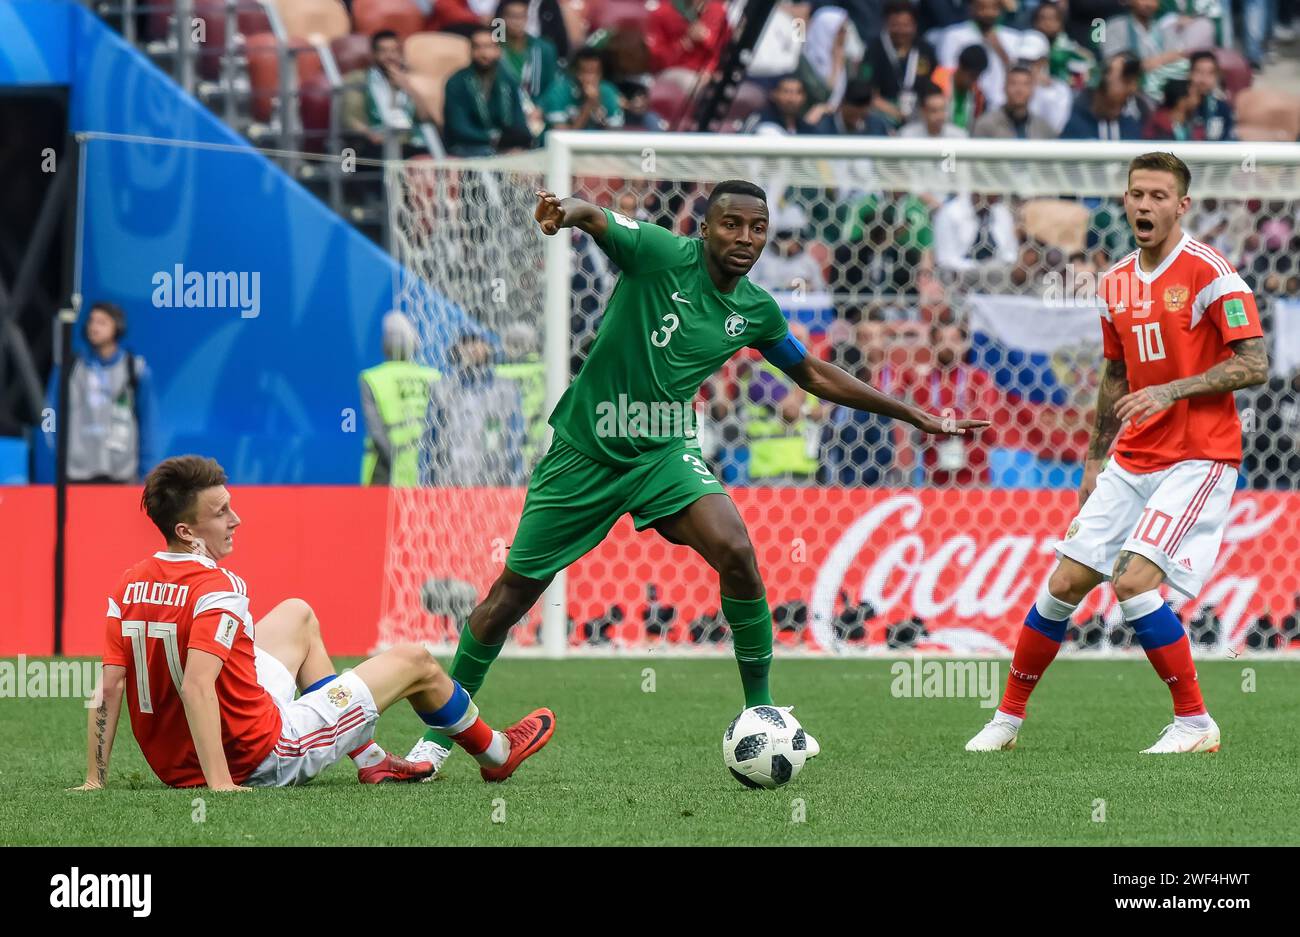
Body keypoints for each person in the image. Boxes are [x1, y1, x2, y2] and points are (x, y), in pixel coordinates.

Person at [405, 181, 990, 774]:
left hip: (664, 453)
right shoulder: (659, 253)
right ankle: (436, 740)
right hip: (585, 452)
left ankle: (762, 710)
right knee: (510, 598)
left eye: (757, 228)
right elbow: (598, 218)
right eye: (731, 225)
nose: (746, 238)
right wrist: (567, 213)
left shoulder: (755, 309)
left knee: (735, 548)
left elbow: (812, 373)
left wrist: (913, 412)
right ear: (705, 228)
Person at [967, 152, 1270, 754]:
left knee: (1134, 583)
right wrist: (1094, 458)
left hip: (1198, 456)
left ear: (1182, 205)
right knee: (1064, 582)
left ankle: (1194, 722)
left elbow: (1255, 363)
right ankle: (1007, 719)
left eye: (1159, 196)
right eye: (1137, 194)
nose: (1144, 205)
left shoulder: (1213, 274)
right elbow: (1113, 374)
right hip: (1132, 457)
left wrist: (1172, 389)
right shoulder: (1116, 281)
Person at [72, 456, 555, 791]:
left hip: (176, 765)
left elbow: (109, 686)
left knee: (297, 614)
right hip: (263, 753)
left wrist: (95, 779)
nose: (236, 520)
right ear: (186, 531)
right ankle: (496, 754)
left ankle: (371, 762)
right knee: (417, 661)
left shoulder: (129, 584)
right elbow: (198, 687)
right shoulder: (219, 588)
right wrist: (219, 784)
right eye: (221, 514)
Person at [44, 301, 157, 484]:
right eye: (91, 321)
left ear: (118, 327)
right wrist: (54, 461)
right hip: (75, 475)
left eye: (102, 322)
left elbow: (147, 424)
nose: (94, 327)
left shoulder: (135, 370)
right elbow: (49, 414)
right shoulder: (68, 367)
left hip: (122, 476)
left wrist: (145, 475)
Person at [426, 334, 526, 486]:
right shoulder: (443, 390)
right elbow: (430, 444)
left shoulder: (506, 391)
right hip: (449, 488)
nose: (471, 348)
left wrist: (515, 488)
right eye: (465, 342)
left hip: (492, 488)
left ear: (488, 345)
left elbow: (514, 445)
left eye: (476, 341)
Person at [359, 312, 437, 487]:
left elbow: (377, 431)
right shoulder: (432, 377)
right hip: (426, 472)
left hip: (384, 471)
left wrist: (399, 462)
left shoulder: (372, 378)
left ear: (385, 344)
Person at [341, 30, 435, 157]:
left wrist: (408, 88)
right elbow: (351, 119)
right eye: (383, 51)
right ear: (373, 55)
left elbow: (426, 119)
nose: (390, 56)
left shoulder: (408, 81)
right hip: (375, 143)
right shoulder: (358, 79)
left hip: (409, 141)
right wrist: (371, 135)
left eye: (394, 51)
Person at [442, 25, 530, 156]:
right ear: (470, 51)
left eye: (489, 46)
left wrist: (522, 140)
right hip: (468, 147)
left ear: (498, 50)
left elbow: (518, 120)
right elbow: (459, 127)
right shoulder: (457, 81)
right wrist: (494, 140)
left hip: (505, 146)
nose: (484, 53)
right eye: (478, 47)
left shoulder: (508, 81)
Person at [859, 0, 937, 128]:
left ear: (915, 25)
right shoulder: (874, 50)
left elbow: (934, 88)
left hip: (920, 115)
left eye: (906, 25)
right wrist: (895, 112)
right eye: (895, 25)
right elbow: (868, 93)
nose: (901, 31)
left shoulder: (925, 50)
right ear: (886, 24)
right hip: (884, 116)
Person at [934, 0, 1023, 109]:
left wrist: (999, 48)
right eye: (982, 7)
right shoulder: (953, 35)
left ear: (1000, 10)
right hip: (964, 101)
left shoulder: (1013, 37)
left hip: (1000, 104)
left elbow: (1018, 73)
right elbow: (947, 72)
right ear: (971, 8)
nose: (988, 13)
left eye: (994, 8)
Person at [1060, 52, 1145, 140]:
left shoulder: (1133, 123)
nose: (1132, 88)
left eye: (1134, 82)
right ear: (1102, 78)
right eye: (1126, 80)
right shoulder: (1072, 118)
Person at [540, 48, 624, 131]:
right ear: (575, 73)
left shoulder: (608, 92)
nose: (590, 78)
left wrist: (598, 108)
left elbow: (616, 135)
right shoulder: (558, 91)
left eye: (594, 72)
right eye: (585, 72)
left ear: (601, 74)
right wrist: (588, 106)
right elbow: (562, 138)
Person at [495, 0, 559, 102]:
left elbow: (552, 85)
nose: (517, 22)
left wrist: (540, 108)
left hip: (535, 108)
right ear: (502, 18)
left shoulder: (544, 48)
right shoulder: (494, 48)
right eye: (512, 16)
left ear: (527, 18)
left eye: (521, 16)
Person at [972, 64, 1057, 138]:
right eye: (1013, 83)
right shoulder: (986, 125)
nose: (1019, 90)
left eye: (1025, 84)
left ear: (1032, 90)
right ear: (1004, 87)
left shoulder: (1044, 129)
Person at [813, 79, 894, 135]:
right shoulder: (823, 128)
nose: (856, 120)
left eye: (861, 115)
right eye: (852, 115)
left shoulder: (877, 126)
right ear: (843, 103)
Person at [1187, 50, 1235, 142]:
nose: (1204, 79)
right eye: (1199, 71)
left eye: (1210, 73)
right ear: (1190, 74)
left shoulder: (1222, 109)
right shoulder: (1177, 106)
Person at [899, 80, 969, 137]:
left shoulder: (959, 136)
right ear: (923, 111)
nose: (940, 116)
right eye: (934, 111)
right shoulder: (907, 136)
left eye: (943, 109)